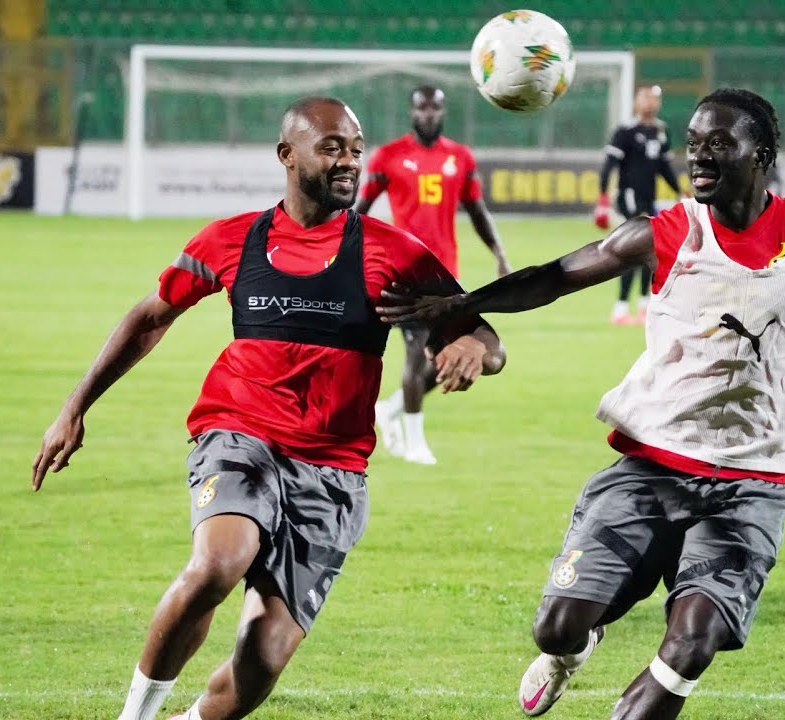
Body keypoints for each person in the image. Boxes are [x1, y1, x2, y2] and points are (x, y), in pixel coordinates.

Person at [380, 88, 785, 720]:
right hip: (651, 467)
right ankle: (572, 652)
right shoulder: (667, 232)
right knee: (555, 627)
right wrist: (460, 307)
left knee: (689, 646)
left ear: (763, 154)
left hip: (752, 484)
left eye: (719, 143)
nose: (699, 157)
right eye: (694, 144)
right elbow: (555, 276)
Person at [31, 96, 505, 720]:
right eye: (332, 146)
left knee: (262, 662)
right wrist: (75, 405)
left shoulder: (396, 253)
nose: (348, 161)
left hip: (333, 468)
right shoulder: (232, 239)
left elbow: (487, 338)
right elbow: (151, 317)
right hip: (239, 434)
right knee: (218, 564)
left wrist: (471, 347)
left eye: (356, 150)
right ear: (287, 154)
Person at [356, 84, 511, 465]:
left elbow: (476, 211)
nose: (428, 114)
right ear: (412, 112)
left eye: (435, 108)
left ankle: (389, 408)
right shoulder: (389, 157)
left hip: (445, 277)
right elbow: (359, 210)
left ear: (443, 112)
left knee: (444, 358)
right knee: (414, 352)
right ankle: (414, 442)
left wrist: (499, 253)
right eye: (421, 108)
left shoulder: (460, 158)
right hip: (402, 274)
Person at [594, 85, 684, 326]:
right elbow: (610, 164)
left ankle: (644, 305)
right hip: (629, 196)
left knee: (651, 250)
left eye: (654, 98)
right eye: (644, 97)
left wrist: (679, 192)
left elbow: (664, 168)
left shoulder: (660, 131)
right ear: (635, 102)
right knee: (634, 249)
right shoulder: (626, 131)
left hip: (648, 198)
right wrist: (603, 196)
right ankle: (621, 307)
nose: (650, 102)